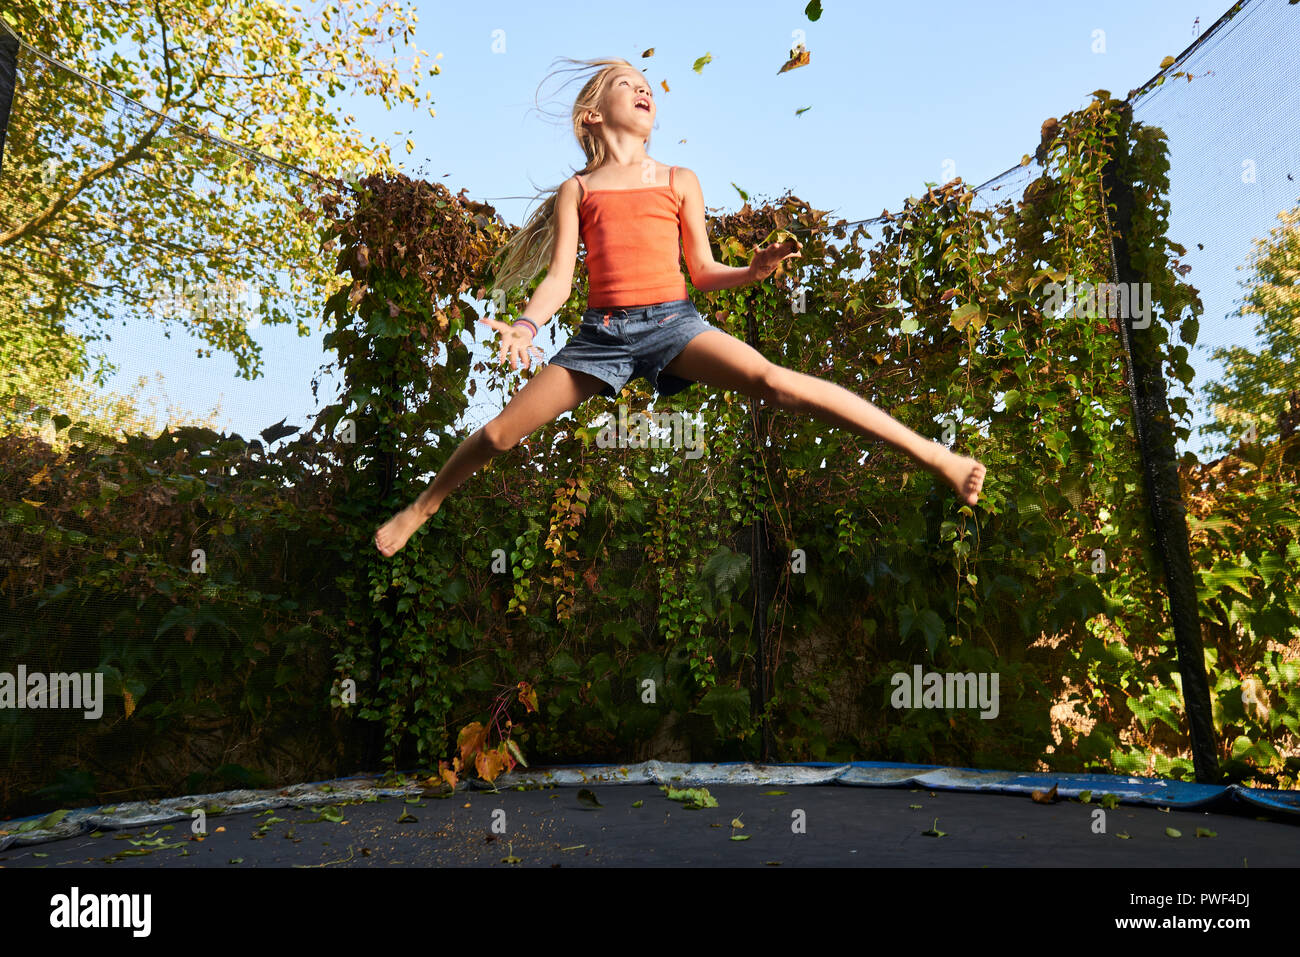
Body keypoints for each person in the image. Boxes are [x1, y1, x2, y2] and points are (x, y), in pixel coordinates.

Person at [375, 56, 985, 557]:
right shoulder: (578, 190)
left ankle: (936, 456)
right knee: (502, 434)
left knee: (776, 382)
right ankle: (423, 505)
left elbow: (701, 270)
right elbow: (561, 277)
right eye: (626, 85)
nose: (643, 91)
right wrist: (529, 324)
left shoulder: (679, 179)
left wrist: (753, 270)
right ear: (592, 113)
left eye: (647, 88)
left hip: (674, 323)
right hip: (602, 335)